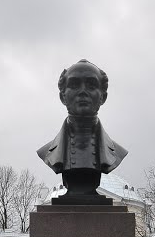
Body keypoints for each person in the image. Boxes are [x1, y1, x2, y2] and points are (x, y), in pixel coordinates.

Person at [37, 59, 127, 199]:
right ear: (63, 97)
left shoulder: (116, 152)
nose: (83, 91)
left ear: (103, 97)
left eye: (91, 85)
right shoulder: (47, 152)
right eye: (74, 85)